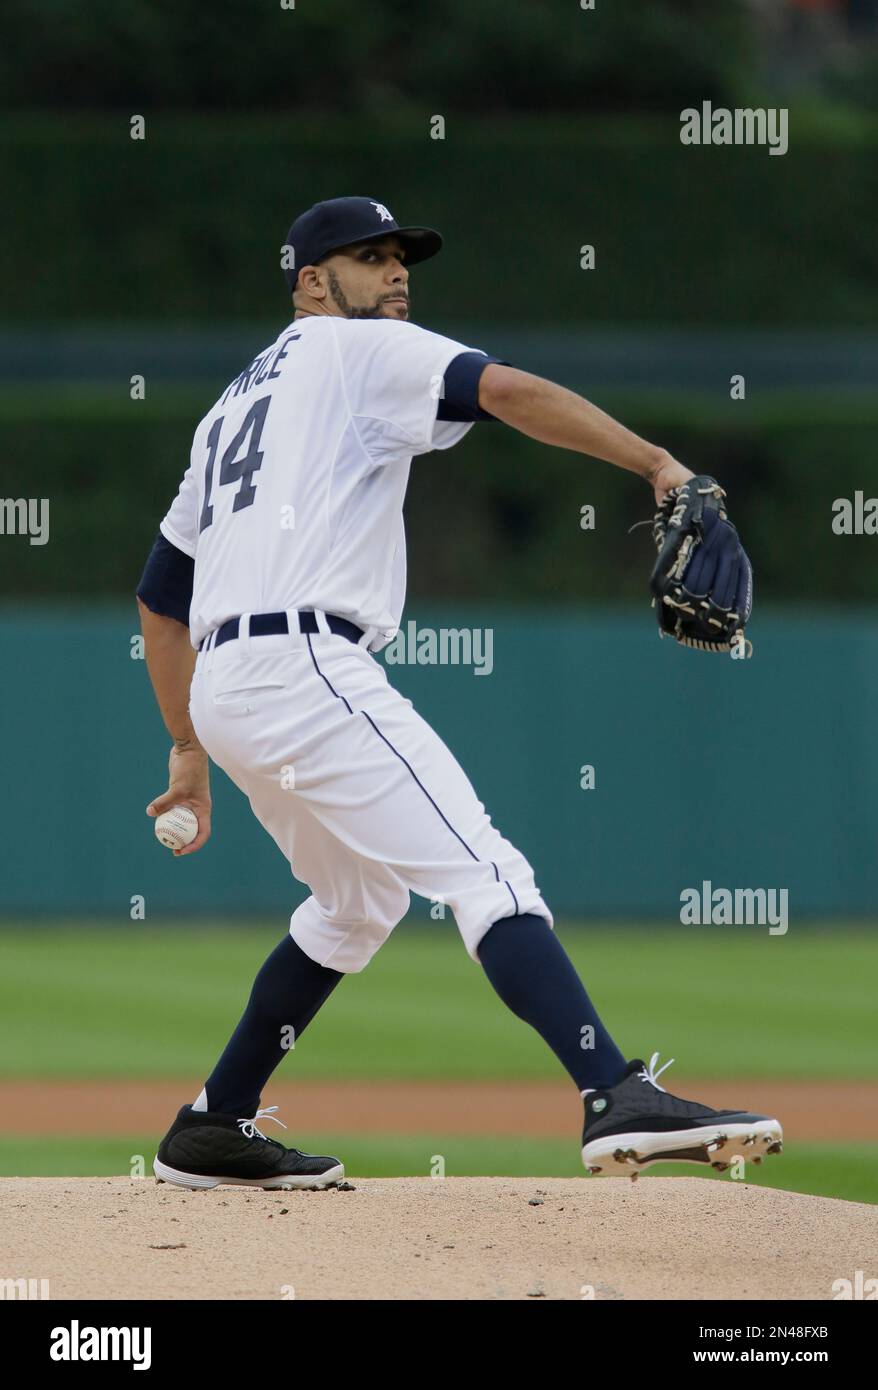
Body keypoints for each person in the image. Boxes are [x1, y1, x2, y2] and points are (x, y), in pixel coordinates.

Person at [137, 196, 783, 1190]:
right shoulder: (352, 349)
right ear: (311, 283)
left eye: (401, 257)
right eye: (367, 257)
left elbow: (162, 598)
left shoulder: (228, 406)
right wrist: (658, 466)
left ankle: (213, 1121)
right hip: (306, 666)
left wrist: (186, 744)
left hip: (231, 682)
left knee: (356, 900)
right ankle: (612, 1093)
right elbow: (509, 390)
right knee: (486, 869)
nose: (394, 273)